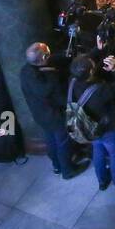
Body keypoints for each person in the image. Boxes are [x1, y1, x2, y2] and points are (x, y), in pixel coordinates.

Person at [69, 55, 115, 195]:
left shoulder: (73, 81)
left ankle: (103, 181)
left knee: (98, 151)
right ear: (91, 72)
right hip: (108, 129)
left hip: (89, 128)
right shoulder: (100, 91)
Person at [20, 42, 85, 180]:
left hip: (40, 115)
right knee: (63, 142)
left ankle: (57, 166)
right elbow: (55, 93)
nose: (50, 56)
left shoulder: (26, 71)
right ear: (43, 58)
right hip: (54, 115)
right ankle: (68, 170)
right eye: (48, 54)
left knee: (51, 140)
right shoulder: (49, 80)